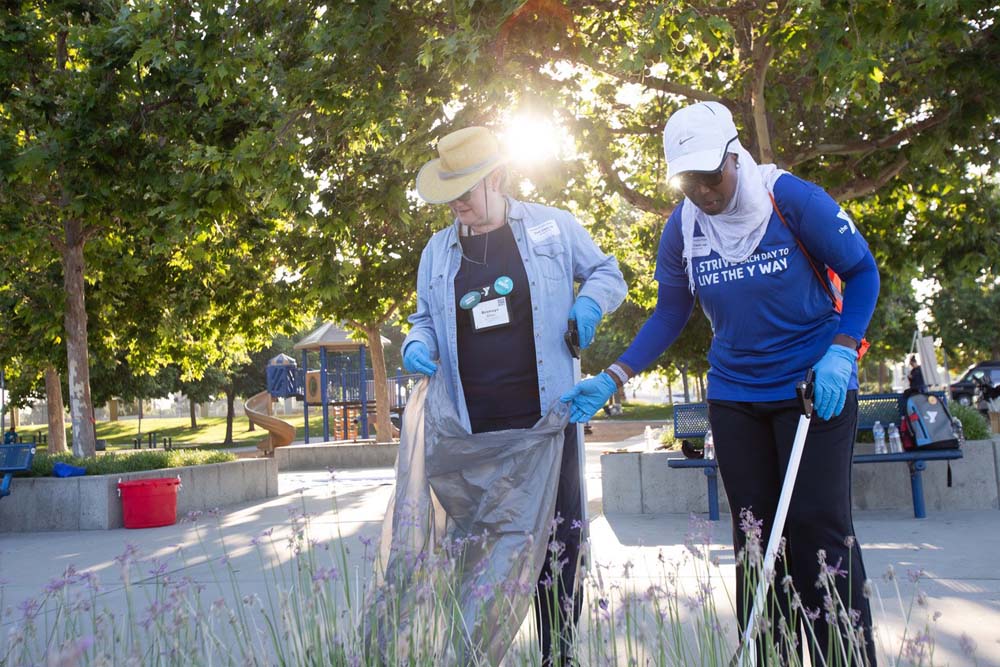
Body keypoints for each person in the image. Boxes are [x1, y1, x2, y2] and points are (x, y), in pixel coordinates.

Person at [562, 102, 880, 665]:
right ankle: (773, 655)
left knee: (817, 527)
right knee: (756, 538)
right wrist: (614, 375)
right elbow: (670, 311)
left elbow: (861, 272)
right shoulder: (684, 226)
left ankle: (846, 655)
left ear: (736, 157)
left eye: (712, 176)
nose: (704, 192)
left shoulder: (792, 200)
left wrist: (842, 351)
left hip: (814, 386)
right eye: (689, 182)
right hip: (736, 395)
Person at [403, 125, 627, 665]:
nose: (456, 202)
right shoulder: (436, 252)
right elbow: (425, 318)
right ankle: (479, 657)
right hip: (473, 437)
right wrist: (417, 339)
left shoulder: (553, 227)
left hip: (548, 425)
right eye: (448, 192)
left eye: (466, 190)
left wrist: (590, 304)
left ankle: (561, 653)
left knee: (558, 549)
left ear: (497, 178)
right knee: (478, 557)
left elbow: (607, 271)